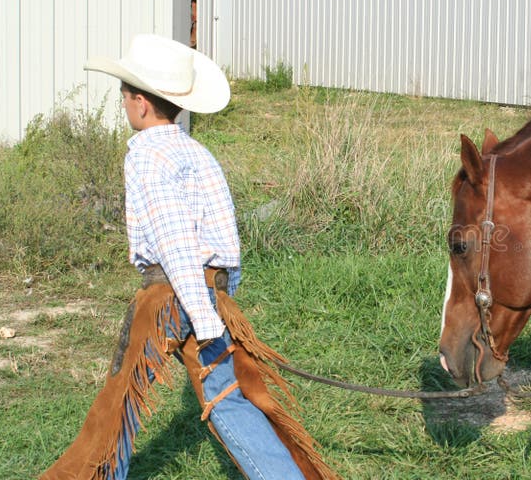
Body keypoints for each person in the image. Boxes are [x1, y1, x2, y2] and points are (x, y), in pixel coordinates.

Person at [41, 34, 338, 480]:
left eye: (124, 96)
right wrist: (216, 302)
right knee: (227, 398)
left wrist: (202, 318)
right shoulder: (197, 152)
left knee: (120, 399)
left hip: (174, 294)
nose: (123, 104)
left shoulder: (145, 155)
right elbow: (225, 242)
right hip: (212, 288)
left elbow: (175, 239)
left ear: (141, 103)